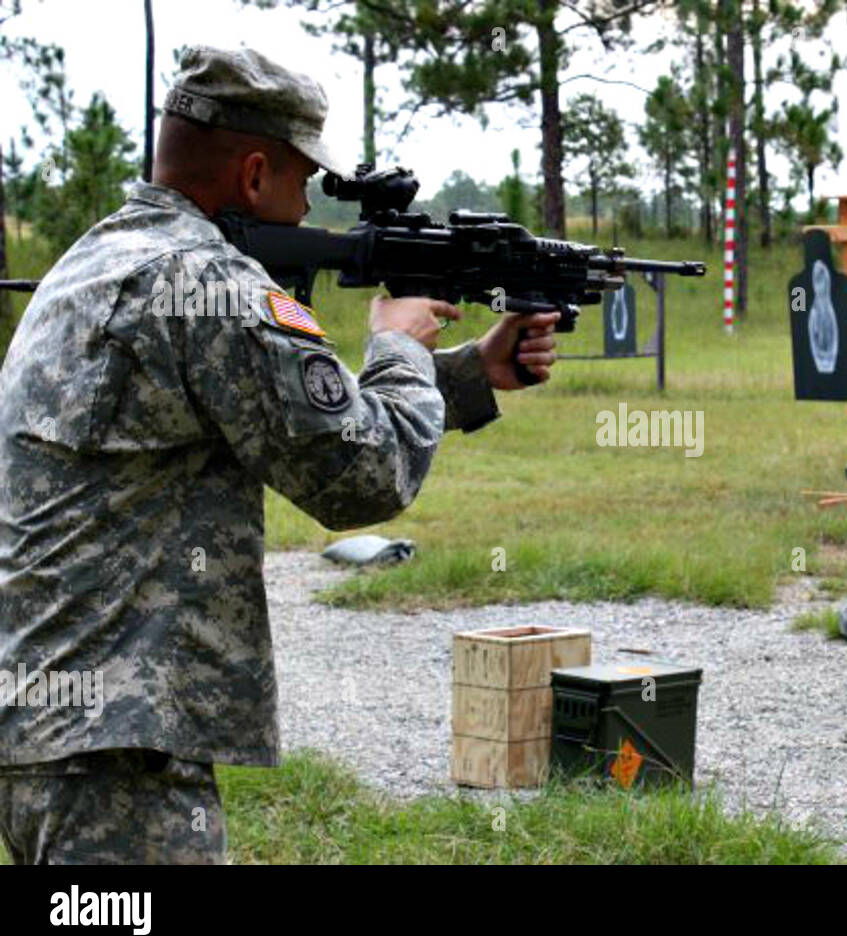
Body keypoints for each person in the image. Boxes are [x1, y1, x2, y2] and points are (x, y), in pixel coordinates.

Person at [0, 45, 559, 864]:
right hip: (118, 752)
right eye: (303, 183)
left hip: (52, 725)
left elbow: (270, 410)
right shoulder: (216, 285)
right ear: (254, 174)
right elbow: (362, 473)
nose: (307, 208)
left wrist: (470, 374)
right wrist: (396, 344)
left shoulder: (105, 256)